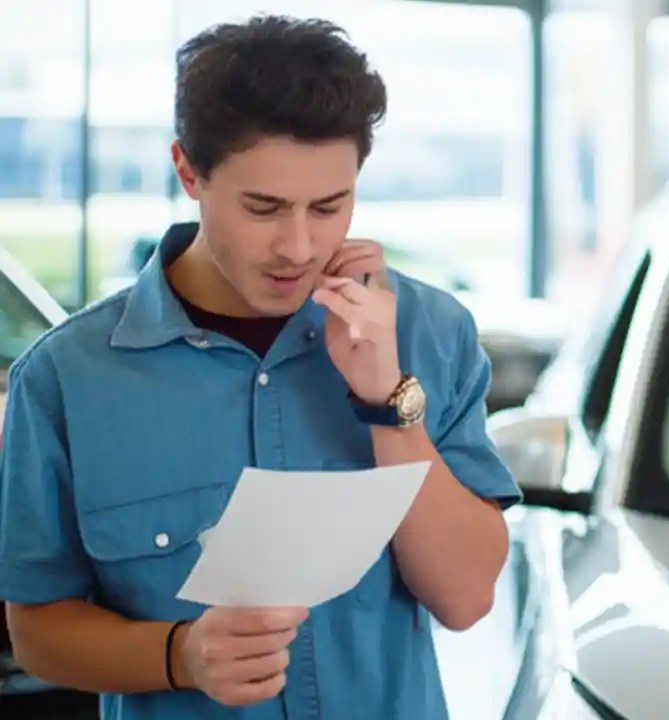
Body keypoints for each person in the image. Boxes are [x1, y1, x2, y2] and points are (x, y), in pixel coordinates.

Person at [0, 15, 520, 720]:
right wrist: (179, 655)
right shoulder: (69, 378)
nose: (298, 247)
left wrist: (387, 403)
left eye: (329, 206)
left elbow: (466, 599)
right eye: (264, 208)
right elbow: (37, 631)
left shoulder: (429, 333)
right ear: (189, 171)